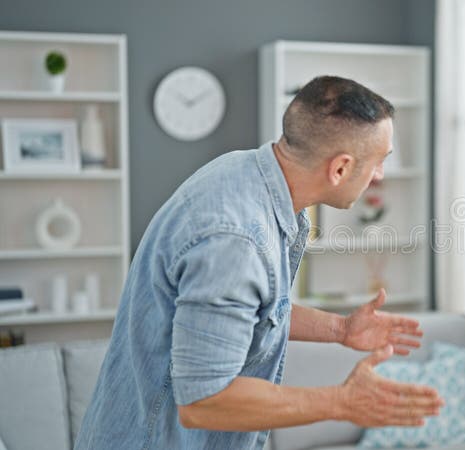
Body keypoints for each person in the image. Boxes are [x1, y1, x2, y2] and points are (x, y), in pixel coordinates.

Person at [75, 76, 443, 449]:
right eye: (378, 162)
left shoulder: (244, 175)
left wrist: (340, 329)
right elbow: (204, 401)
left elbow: (253, 308)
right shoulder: (235, 240)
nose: (379, 175)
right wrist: (343, 402)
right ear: (340, 169)